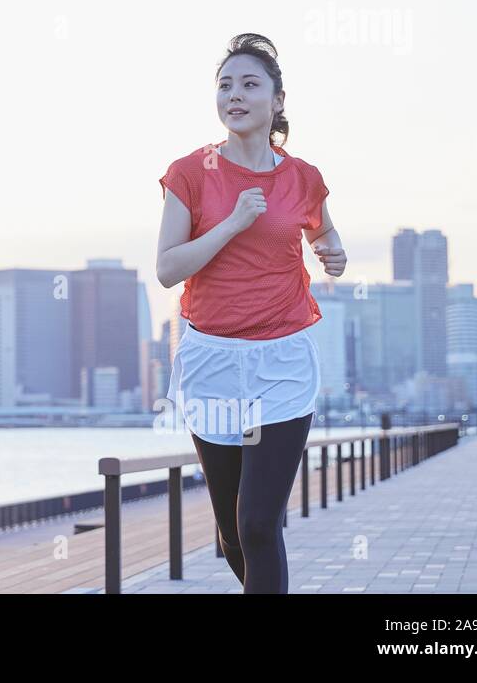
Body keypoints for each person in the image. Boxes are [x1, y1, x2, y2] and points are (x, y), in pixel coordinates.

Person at [155, 32, 347, 593]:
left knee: (259, 524)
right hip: (212, 359)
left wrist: (332, 253)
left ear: (277, 100)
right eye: (225, 85)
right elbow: (168, 268)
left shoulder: (302, 177)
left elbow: (324, 232)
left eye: (249, 84)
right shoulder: (190, 173)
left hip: (282, 362)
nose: (234, 95)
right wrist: (233, 222)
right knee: (232, 534)